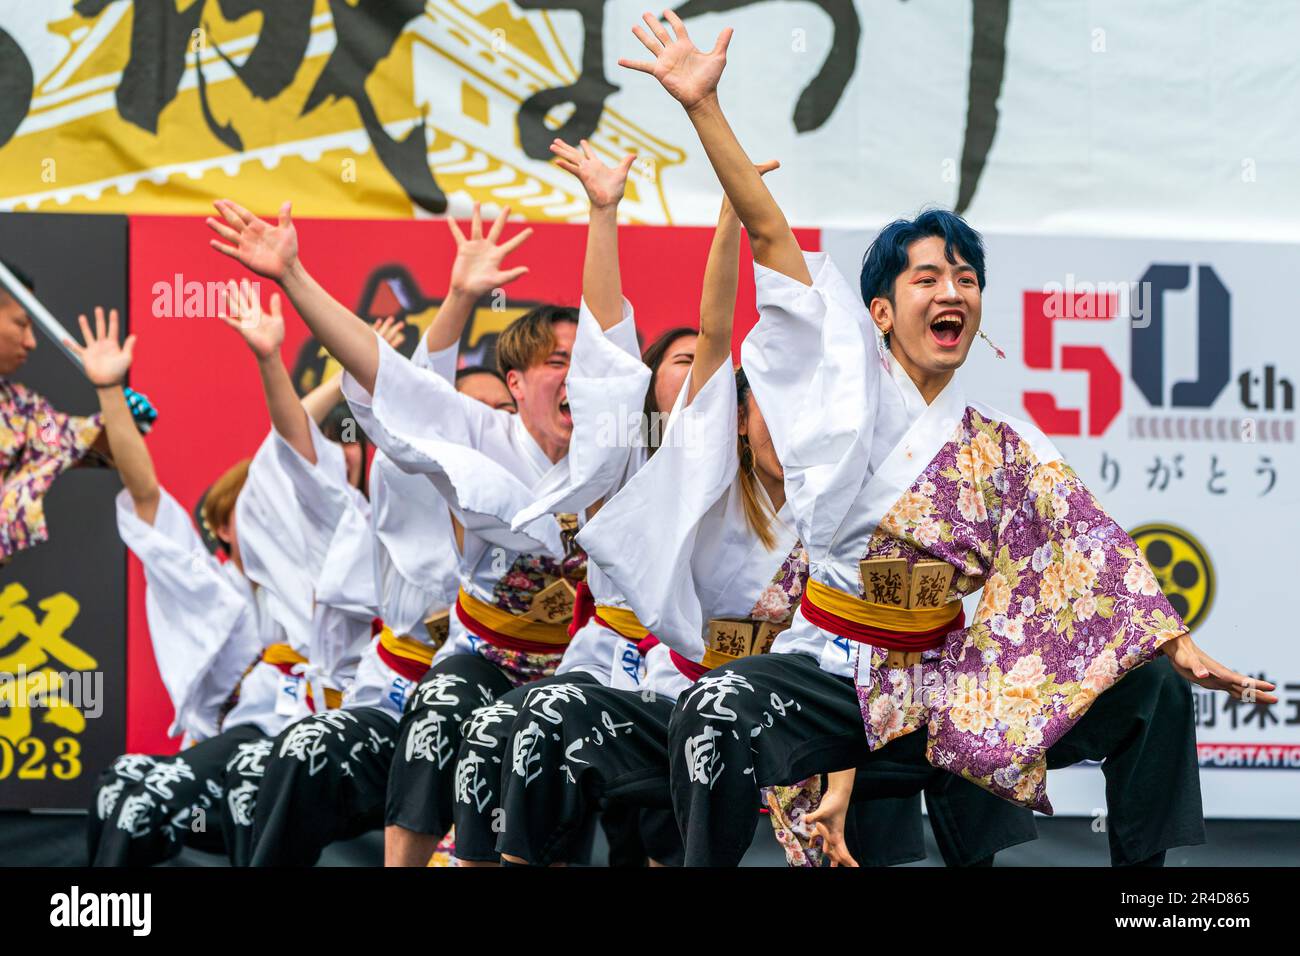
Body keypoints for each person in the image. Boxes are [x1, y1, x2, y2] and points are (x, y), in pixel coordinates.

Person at [619, 10, 1277, 867]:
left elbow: (1088, 548)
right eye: (926, 274)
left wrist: (1177, 644)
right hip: (835, 679)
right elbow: (773, 235)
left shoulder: (999, 445)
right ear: (882, 310)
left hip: (952, 685)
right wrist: (705, 109)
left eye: (966, 276)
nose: (952, 288)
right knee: (718, 707)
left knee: (1150, 690)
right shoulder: (838, 375)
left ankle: (1147, 898)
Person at [492, 183, 1019, 868]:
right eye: (768, 409)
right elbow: (715, 333)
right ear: (735, 419)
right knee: (671, 753)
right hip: (700, 696)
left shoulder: (846, 494)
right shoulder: (703, 484)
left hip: (819, 701)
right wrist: (726, 219)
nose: (790, 427)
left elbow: (851, 654)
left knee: (884, 784)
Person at [205, 197, 643, 866]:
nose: (574, 377)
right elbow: (396, 381)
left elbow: (613, 348)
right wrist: (293, 276)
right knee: (441, 703)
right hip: (480, 662)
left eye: (579, 365)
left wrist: (604, 210)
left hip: (585, 670)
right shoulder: (481, 436)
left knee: (552, 732)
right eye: (557, 361)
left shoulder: (619, 450)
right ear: (516, 383)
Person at [73, 307, 304, 866]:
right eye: (253, 513)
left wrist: (307, 369)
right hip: (217, 765)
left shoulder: (324, 583)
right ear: (223, 527)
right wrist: (109, 390)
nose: (269, 524)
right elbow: (146, 492)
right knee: (117, 788)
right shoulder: (211, 588)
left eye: (278, 511)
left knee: (145, 797)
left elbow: (293, 453)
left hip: (300, 763)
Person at [0, 263, 111, 561]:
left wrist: (116, 402)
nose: (31, 342)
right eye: (22, 324)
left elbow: (64, 438)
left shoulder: (27, 411)